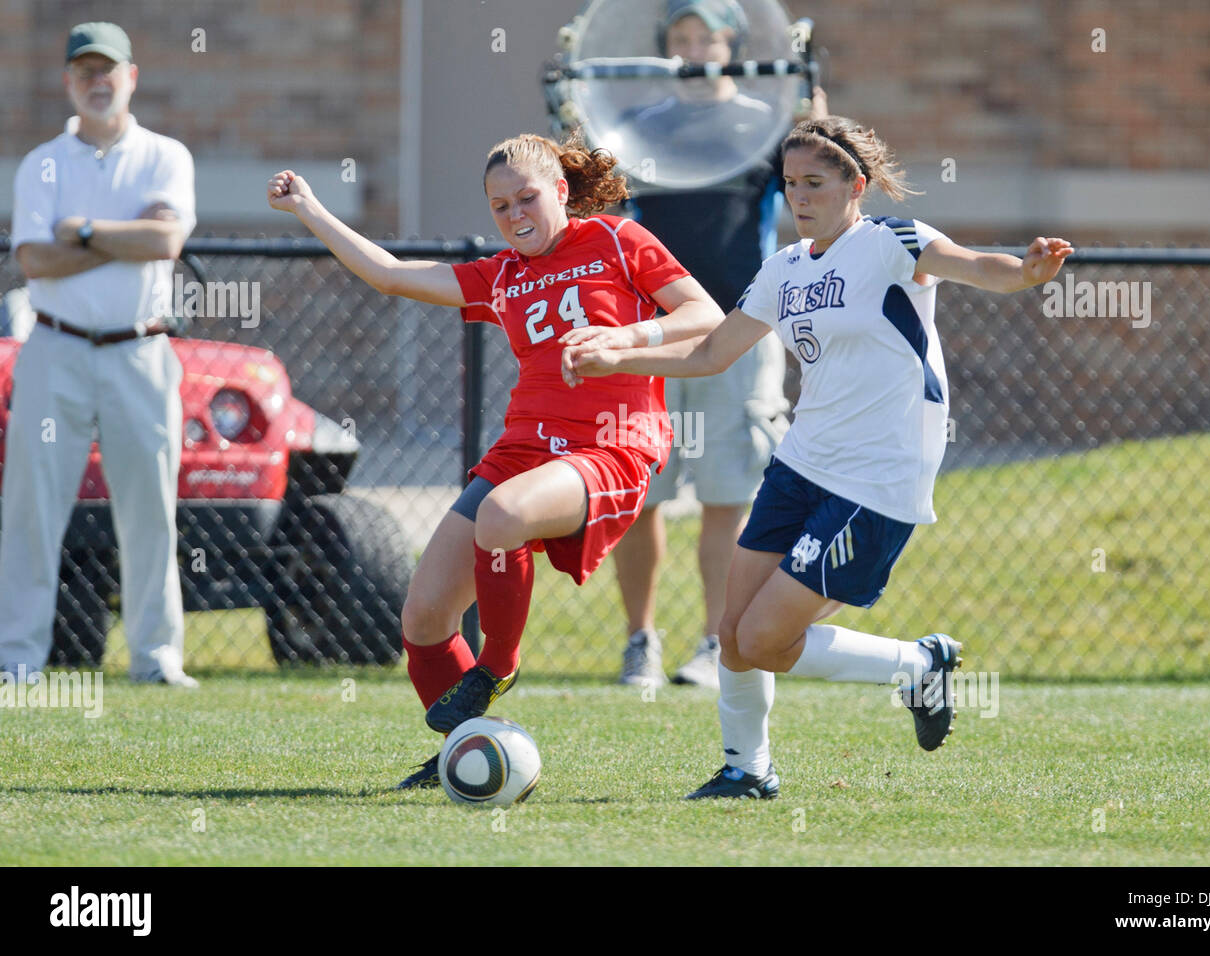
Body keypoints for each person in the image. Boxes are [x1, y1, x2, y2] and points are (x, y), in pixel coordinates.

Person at [562, 116, 1074, 798]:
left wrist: (1027, 271)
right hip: (801, 463)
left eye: (816, 184)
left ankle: (918, 664)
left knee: (768, 637)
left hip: (878, 478)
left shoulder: (894, 242)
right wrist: (617, 354)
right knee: (735, 635)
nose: (800, 197)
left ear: (855, 186)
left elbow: (982, 269)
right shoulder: (783, 267)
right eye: (790, 184)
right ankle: (747, 769)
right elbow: (712, 353)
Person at [266, 132, 723, 790]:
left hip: (614, 442)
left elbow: (703, 314)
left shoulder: (619, 241)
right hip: (525, 449)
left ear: (561, 192)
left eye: (527, 198)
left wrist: (626, 337)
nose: (514, 216)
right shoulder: (503, 273)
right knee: (423, 617)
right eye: (499, 206)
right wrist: (310, 207)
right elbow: (389, 274)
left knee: (503, 515)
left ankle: (498, 665)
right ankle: (467, 751)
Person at [610, 0, 816, 691]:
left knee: (729, 493)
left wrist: (814, 116)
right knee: (641, 493)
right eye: (681, 38)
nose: (695, 49)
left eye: (707, 37)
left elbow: (818, 191)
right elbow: (601, 216)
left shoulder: (764, 127)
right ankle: (640, 641)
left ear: (731, 44)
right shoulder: (638, 129)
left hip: (739, 328)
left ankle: (712, 639)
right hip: (653, 333)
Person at [0, 22, 197, 686]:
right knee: (31, 508)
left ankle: (156, 657)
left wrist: (81, 231)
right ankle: (16, 656)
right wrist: (127, 235)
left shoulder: (166, 155)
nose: (97, 81)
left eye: (108, 69)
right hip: (53, 346)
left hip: (139, 350)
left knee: (150, 511)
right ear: (68, 82)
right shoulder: (42, 163)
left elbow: (166, 242)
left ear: (131, 76)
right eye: (84, 70)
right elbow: (33, 259)